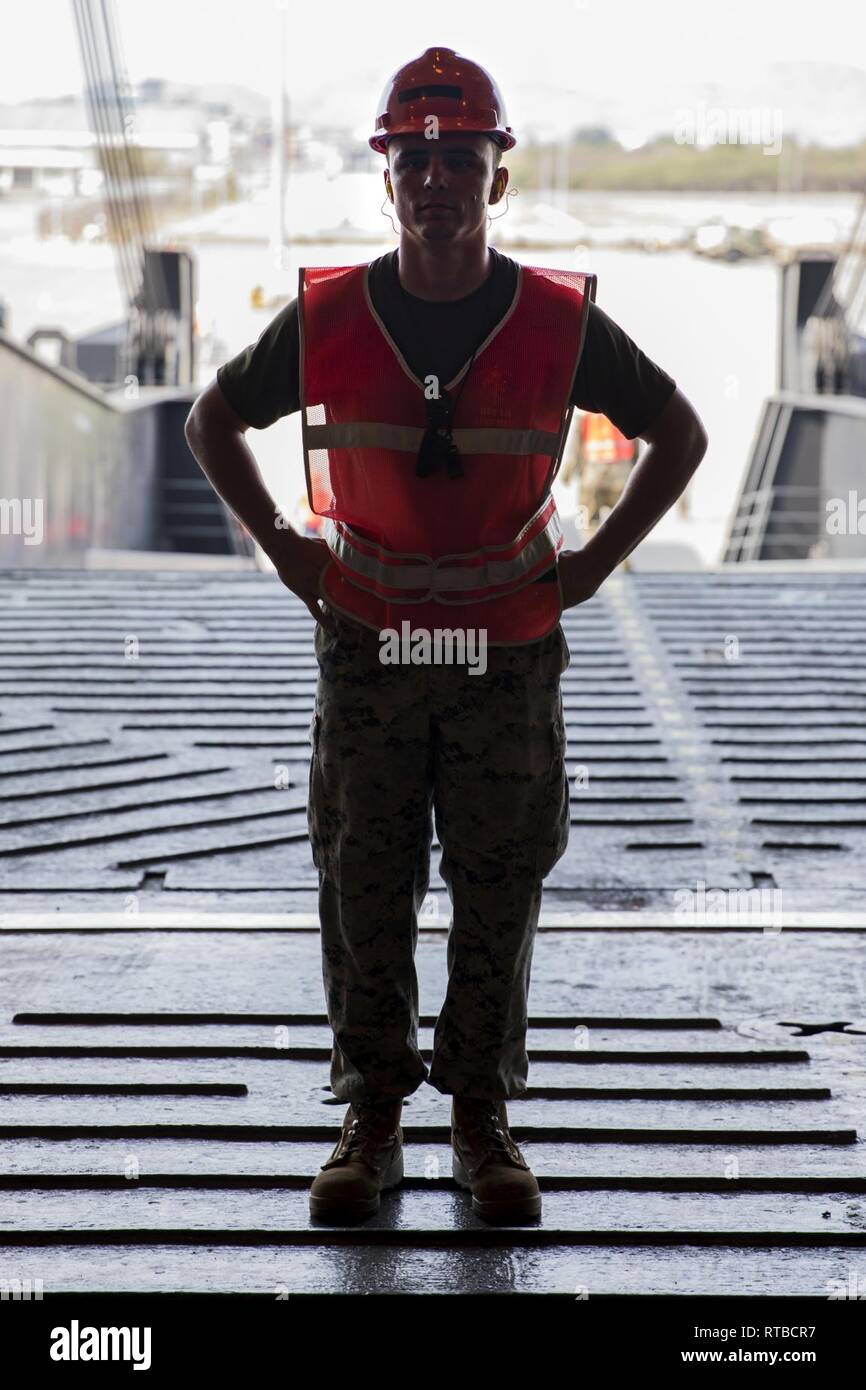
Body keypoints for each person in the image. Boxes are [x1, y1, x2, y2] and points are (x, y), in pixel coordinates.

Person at [184, 46, 708, 1226]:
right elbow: (210, 418)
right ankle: (371, 1117)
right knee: (364, 878)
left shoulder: (556, 321)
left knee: (497, 880)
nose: (432, 178)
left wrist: (592, 570)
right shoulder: (324, 318)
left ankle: (480, 1117)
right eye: (411, 157)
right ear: (385, 176)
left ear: (495, 178)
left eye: (457, 158)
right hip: (368, 636)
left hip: (505, 643)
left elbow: (678, 432)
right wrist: (282, 545)